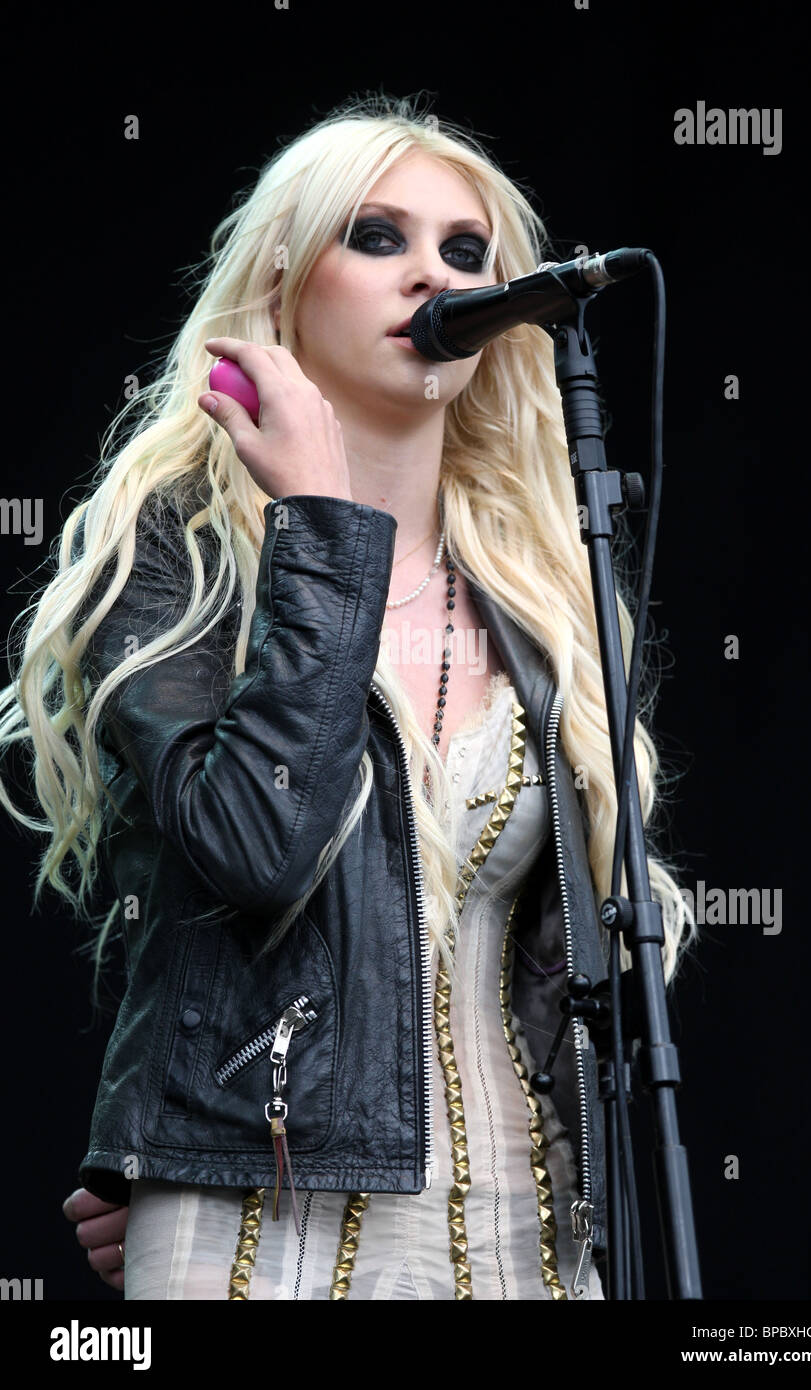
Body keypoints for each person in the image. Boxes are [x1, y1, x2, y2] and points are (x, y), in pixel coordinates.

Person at [1, 92, 696, 1300]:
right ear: (282, 283)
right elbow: (258, 850)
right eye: (376, 235)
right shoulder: (175, 562)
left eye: (464, 251)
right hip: (261, 1226)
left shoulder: (538, 603)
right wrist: (321, 523)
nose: (429, 269)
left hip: (528, 1232)